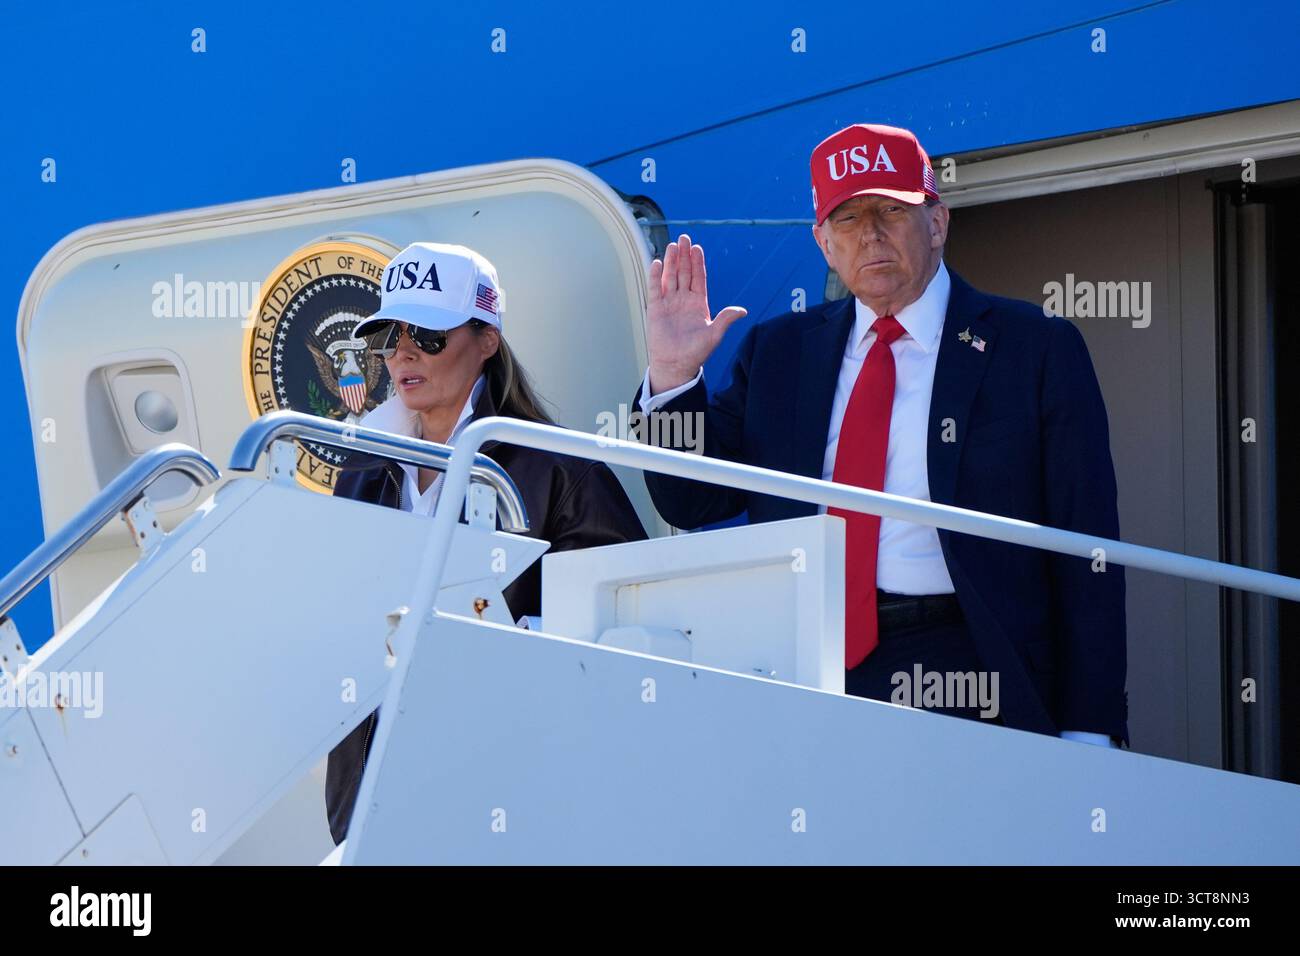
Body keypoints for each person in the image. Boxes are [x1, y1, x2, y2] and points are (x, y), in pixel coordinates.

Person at [633, 123, 1127, 747]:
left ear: (937, 223)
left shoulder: (1034, 348)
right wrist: (675, 377)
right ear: (823, 243)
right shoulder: (780, 352)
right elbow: (689, 500)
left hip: (971, 665)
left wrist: (1091, 725)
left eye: (891, 209)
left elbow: (1088, 548)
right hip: (805, 662)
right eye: (847, 218)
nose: (870, 234)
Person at [326, 241, 647, 843]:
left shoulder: (561, 468)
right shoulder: (362, 472)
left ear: (488, 339)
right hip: (380, 789)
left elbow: (617, 629)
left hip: (512, 781)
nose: (403, 353)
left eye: (428, 333)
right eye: (390, 335)